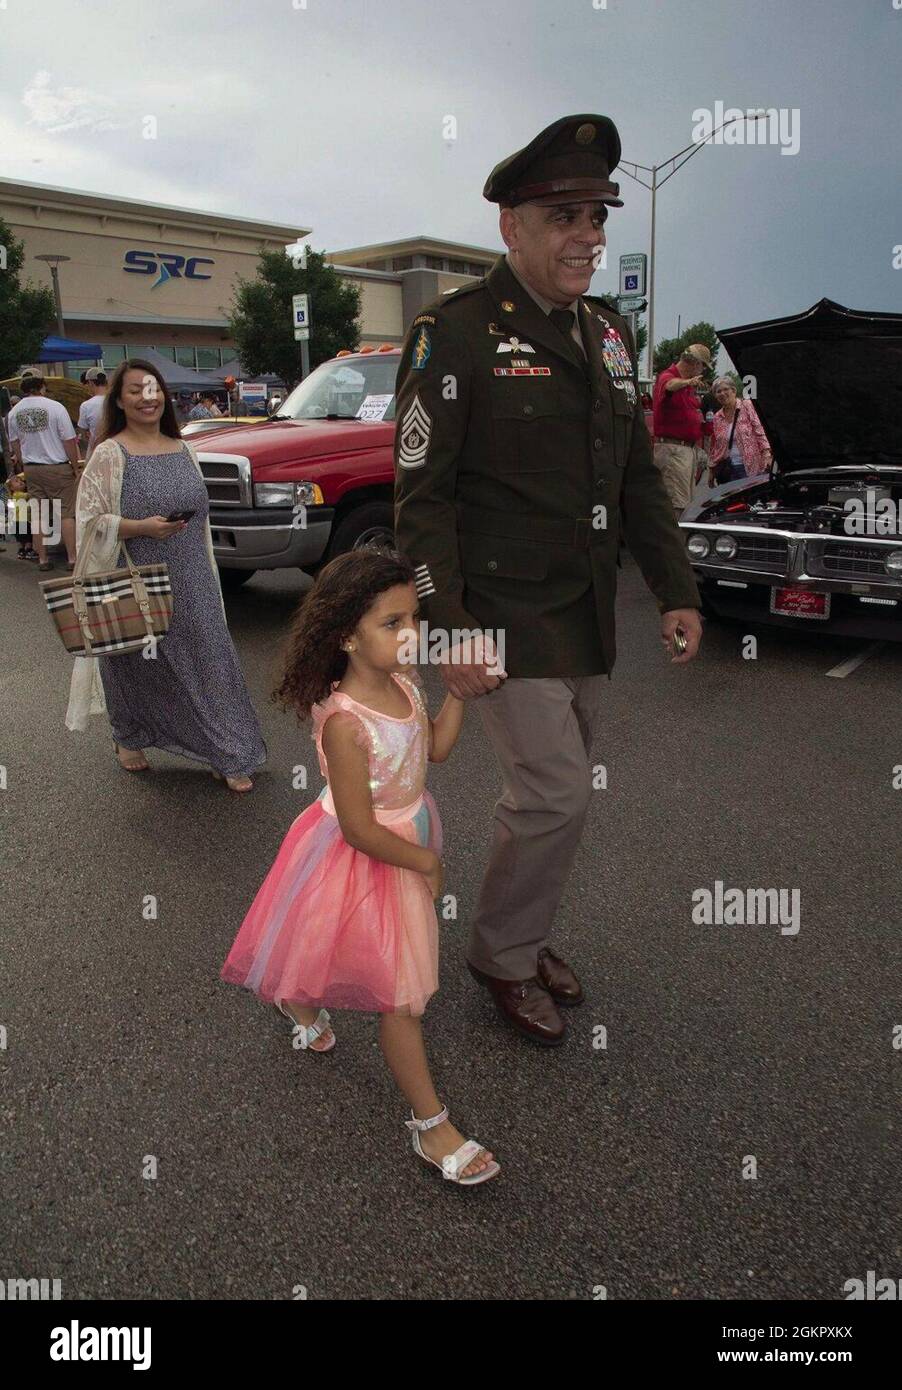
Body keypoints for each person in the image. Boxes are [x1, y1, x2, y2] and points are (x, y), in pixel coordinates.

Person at [393, 114, 702, 1047]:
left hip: (584, 614)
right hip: (498, 615)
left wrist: (678, 588)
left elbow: (637, 475)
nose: (590, 235)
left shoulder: (608, 333)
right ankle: (501, 955)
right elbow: (422, 500)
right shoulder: (453, 333)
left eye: (597, 216)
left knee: (555, 799)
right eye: (565, 215)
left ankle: (520, 935)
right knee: (557, 792)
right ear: (511, 228)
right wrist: (447, 631)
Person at [221, 547, 500, 1186]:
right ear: (347, 635)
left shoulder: (405, 683)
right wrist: (425, 859)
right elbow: (358, 827)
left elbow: (438, 748)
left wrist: (459, 693)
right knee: (399, 992)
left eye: (415, 618)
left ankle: (295, 996)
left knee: (330, 941)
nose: (412, 635)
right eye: (393, 623)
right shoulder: (346, 724)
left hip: (405, 831)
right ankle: (431, 1126)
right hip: (367, 848)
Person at [65, 358, 267, 791]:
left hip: (193, 574)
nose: (146, 397)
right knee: (135, 664)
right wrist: (141, 528)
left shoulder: (184, 448)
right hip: (134, 574)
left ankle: (226, 749)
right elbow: (89, 518)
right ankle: (129, 737)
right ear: (118, 399)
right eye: (135, 390)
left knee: (210, 661)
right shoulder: (109, 453)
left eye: (153, 388)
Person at [6, 373, 79, 571]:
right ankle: (72, 559)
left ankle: (43, 559)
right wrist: (74, 466)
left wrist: (23, 464)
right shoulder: (55, 407)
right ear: (42, 386)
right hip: (57, 467)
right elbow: (69, 440)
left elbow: (14, 444)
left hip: (32, 468)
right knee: (65, 513)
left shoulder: (14, 412)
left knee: (38, 514)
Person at [652, 344, 714, 519]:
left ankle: (676, 542)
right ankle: (672, 543)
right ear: (694, 363)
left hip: (685, 451)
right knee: (675, 503)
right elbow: (669, 385)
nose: (701, 370)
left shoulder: (687, 387)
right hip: (674, 451)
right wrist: (687, 382)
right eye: (702, 366)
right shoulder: (669, 377)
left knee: (683, 502)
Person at [707, 377, 772, 485]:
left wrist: (767, 454)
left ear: (734, 391)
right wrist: (712, 470)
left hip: (751, 466)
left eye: (725, 389)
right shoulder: (717, 417)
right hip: (728, 469)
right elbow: (716, 446)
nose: (722, 393)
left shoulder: (747, 406)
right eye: (718, 391)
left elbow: (760, 431)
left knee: (751, 499)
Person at [76, 368, 108, 461]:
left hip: (96, 454)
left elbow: (82, 431)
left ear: (91, 383)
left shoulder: (86, 405)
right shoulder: (117, 402)